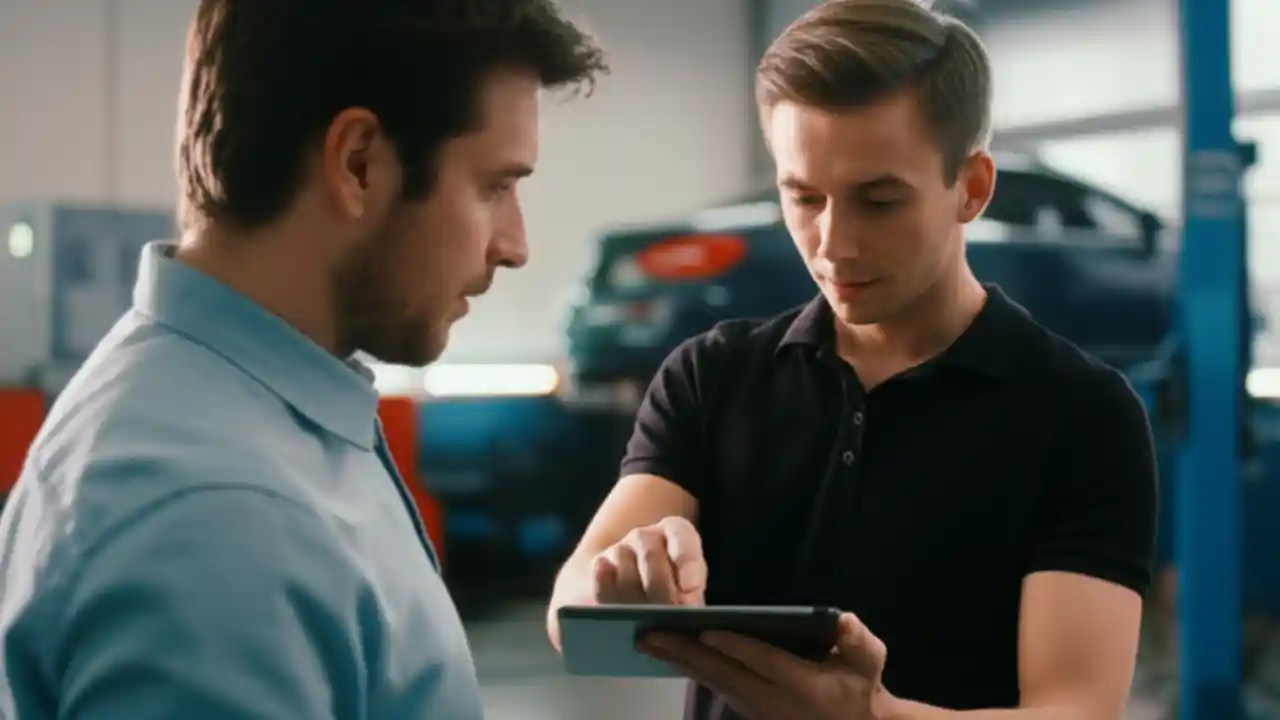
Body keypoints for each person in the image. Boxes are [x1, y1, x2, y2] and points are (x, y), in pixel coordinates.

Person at [547, 1, 1156, 719]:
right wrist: (625, 574)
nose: (833, 244)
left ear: (972, 188)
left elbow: (1076, 709)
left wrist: (874, 718)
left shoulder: (1082, 416)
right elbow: (570, 612)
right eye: (804, 198)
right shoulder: (711, 377)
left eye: (880, 200)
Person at [0, 2, 605, 718]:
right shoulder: (223, 520)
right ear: (358, 164)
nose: (515, 245)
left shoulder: (223, 407)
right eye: (494, 186)